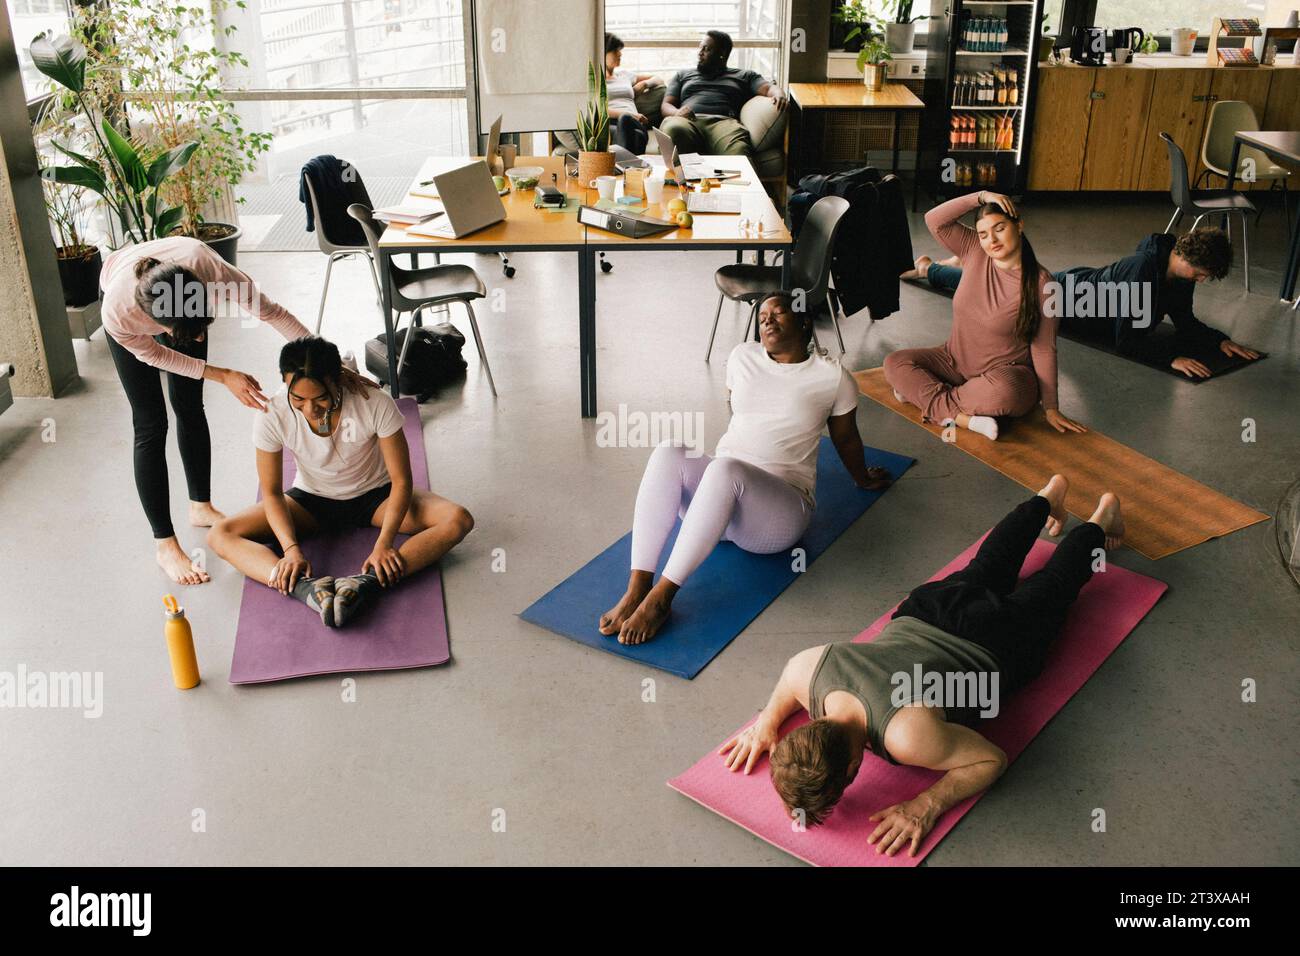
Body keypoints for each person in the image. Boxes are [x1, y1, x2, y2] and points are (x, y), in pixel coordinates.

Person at [719, 474, 1125, 857]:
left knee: (1053, 588)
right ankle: (1048, 497)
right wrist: (767, 723)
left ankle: (1101, 520)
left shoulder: (905, 737)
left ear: (851, 768)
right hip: (928, 608)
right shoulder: (810, 672)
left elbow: (991, 759)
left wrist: (926, 803)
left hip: (994, 640)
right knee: (988, 565)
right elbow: (789, 678)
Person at [599, 292, 892, 646]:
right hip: (717, 505)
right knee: (669, 450)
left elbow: (846, 439)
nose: (766, 319)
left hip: (778, 513)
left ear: (803, 322)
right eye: (763, 314)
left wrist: (861, 478)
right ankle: (638, 586)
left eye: (778, 312)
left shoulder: (832, 377)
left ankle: (662, 597)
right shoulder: (741, 357)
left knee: (726, 470)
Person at [102, 235, 374, 586]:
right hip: (132, 306)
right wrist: (222, 375)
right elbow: (155, 356)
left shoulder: (206, 265)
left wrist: (328, 366)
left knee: (189, 404)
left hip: (173, 299)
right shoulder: (118, 312)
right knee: (151, 423)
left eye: (204, 328)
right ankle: (165, 544)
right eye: (189, 334)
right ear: (164, 328)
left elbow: (273, 313)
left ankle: (200, 505)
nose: (200, 340)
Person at [207, 337, 474, 626]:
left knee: (458, 519)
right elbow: (271, 492)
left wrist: (384, 544)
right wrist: (290, 550)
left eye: (320, 398)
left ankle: (366, 583)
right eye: (298, 399)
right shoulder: (272, 413)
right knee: (219, 535)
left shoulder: (374, 403)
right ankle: (305, 589)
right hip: (310, 502)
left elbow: (401, 481)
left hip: (376, 498)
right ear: (285, 384)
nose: (310, 409)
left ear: (338, 380)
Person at [904, 229, 1261, 379]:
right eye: (1201, 273)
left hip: (1081, 285)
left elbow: (1185, 321)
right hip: (1060, 297)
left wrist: (1218, 340)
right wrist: (1171, 358)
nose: (1201, 280)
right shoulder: (1142, 272)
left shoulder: (1179, 277)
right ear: (1185, 257)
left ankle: (967, 263)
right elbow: (1126, 341)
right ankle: (930, 268)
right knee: (996, 290)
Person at [883, 192, 1087, 441]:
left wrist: (1052, 407)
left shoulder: (1044, 285)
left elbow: (1044, 348)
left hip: (1005, 375)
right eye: (983, 233)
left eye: (999, 228)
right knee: (895, 362)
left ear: (1019, 225)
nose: (992, 240)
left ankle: (926, 395)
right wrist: (980, 196)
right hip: (953, 361)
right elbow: (934, 220)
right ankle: (963, 418)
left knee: (1004, 393)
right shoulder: (973, 250)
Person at [660, 30, 787, 158]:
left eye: (706, 49)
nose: (700, 53)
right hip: (687, 122)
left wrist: (779, 94)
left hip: (724, 124)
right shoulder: (683, 75)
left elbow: (769, 88)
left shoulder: (743, 75)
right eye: (700, 48)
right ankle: (681, 177)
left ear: (722, 54)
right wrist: (677, 113)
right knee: (673, 129)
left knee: (739, 153)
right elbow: (666, 105)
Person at [604, 33, 658, 155]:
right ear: (603, 53)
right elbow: (598, 109)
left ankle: (621, 166)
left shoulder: (624, 75)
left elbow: (657, 78)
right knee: (632, 134)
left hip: (635, 123)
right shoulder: (595, 82)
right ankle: (630, 167)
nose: (620, 54)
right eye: (615, 51)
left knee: (626, 121)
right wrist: (628, 114)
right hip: (611, 124)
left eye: (620, 50)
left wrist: (644, 84)